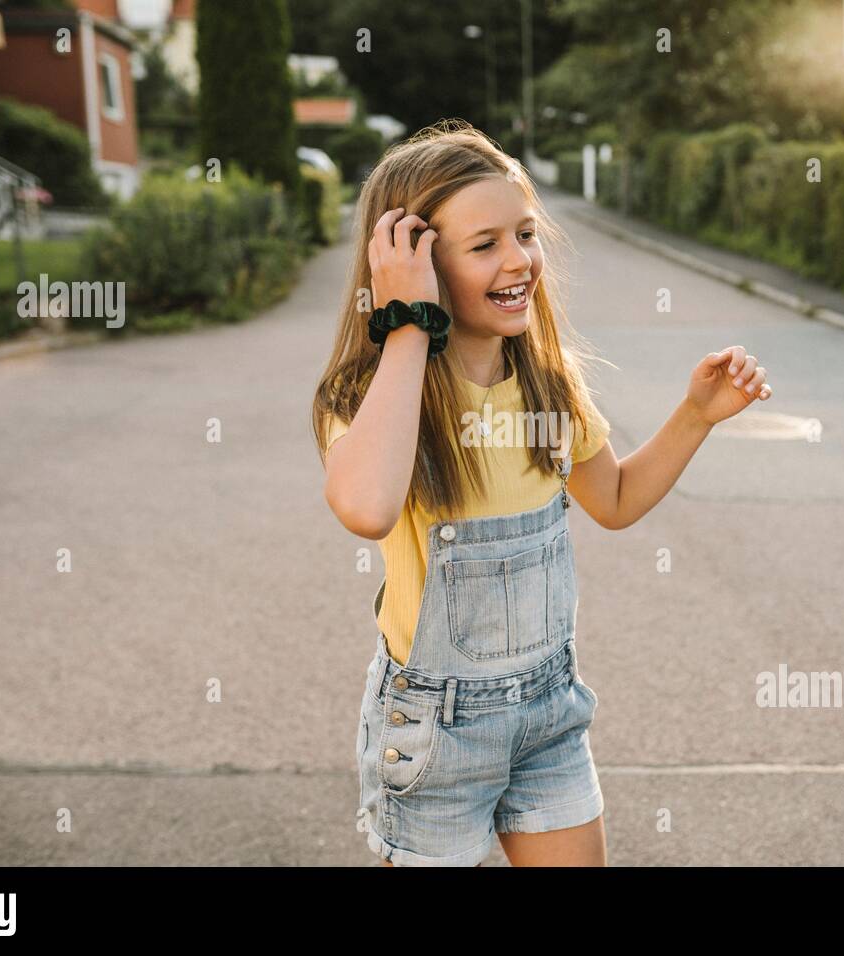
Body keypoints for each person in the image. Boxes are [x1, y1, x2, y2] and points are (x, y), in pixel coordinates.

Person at [312, 119, 772, 867]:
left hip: (549, 718)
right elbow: (365, 508)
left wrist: (696, 416)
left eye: (525, 233)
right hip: (435, 731)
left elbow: (616, 500)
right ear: (417, 264)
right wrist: (407, 326)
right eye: (485, 243)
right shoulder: (371, 397)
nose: (521, 259)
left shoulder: (545, 385)